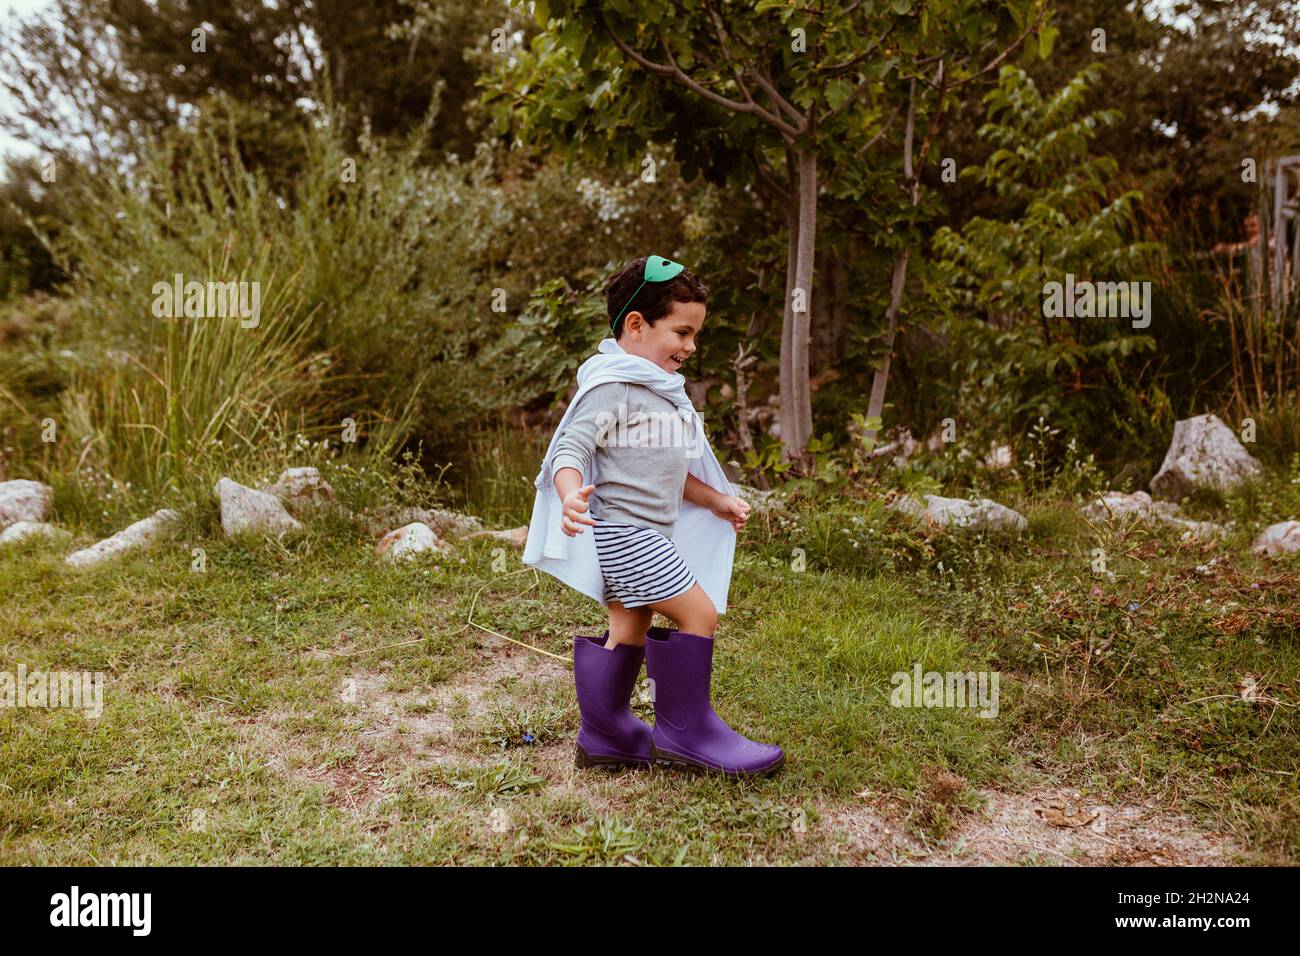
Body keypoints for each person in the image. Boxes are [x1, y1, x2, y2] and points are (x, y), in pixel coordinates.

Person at [522, 254, 784, 777]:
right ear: (637, 326)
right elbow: (569, 450)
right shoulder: (614, 386)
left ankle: (605, 734)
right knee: (698, 615)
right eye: (682, 332)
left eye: (695, 335)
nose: (691, 346)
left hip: (638, 534)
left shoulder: (660, 395)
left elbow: (667, 474)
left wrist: (716, 500)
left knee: (630, 621)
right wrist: (571, 495)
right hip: (627, 536)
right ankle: (689, 736)